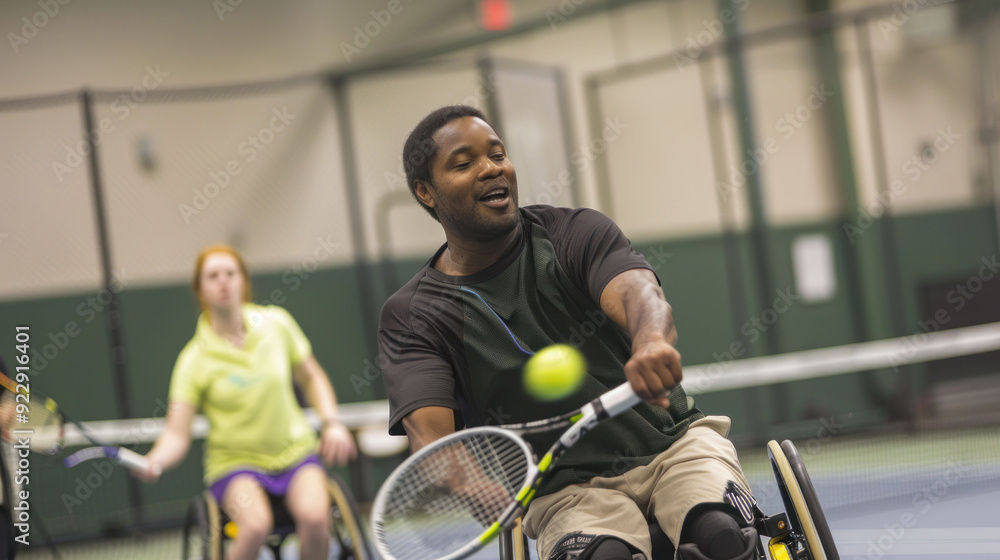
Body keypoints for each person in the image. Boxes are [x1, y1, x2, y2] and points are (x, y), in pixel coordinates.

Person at [377, 105, 760, 560]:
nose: (491, 169)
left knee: (719, 535)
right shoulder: (413, 315)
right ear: (426, 192)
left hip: (674, 447)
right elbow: (435, 441)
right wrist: (478, 488)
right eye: (464, 164)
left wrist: (651, 340)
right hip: (567, 492)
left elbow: (639, 292)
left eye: (497, 154)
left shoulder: (572, 232)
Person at [138, 245, 357, 560]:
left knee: (314, 517)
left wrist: (332, 423)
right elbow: (176, 433)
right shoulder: (193, 359)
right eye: (213, 276)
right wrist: (155, 460)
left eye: (231, 273)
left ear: (243, 280)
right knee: (254, 526)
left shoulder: (277, 324)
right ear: (200, 290)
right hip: (236, 466)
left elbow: (312, 378)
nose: (223, 281)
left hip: (296, 454)